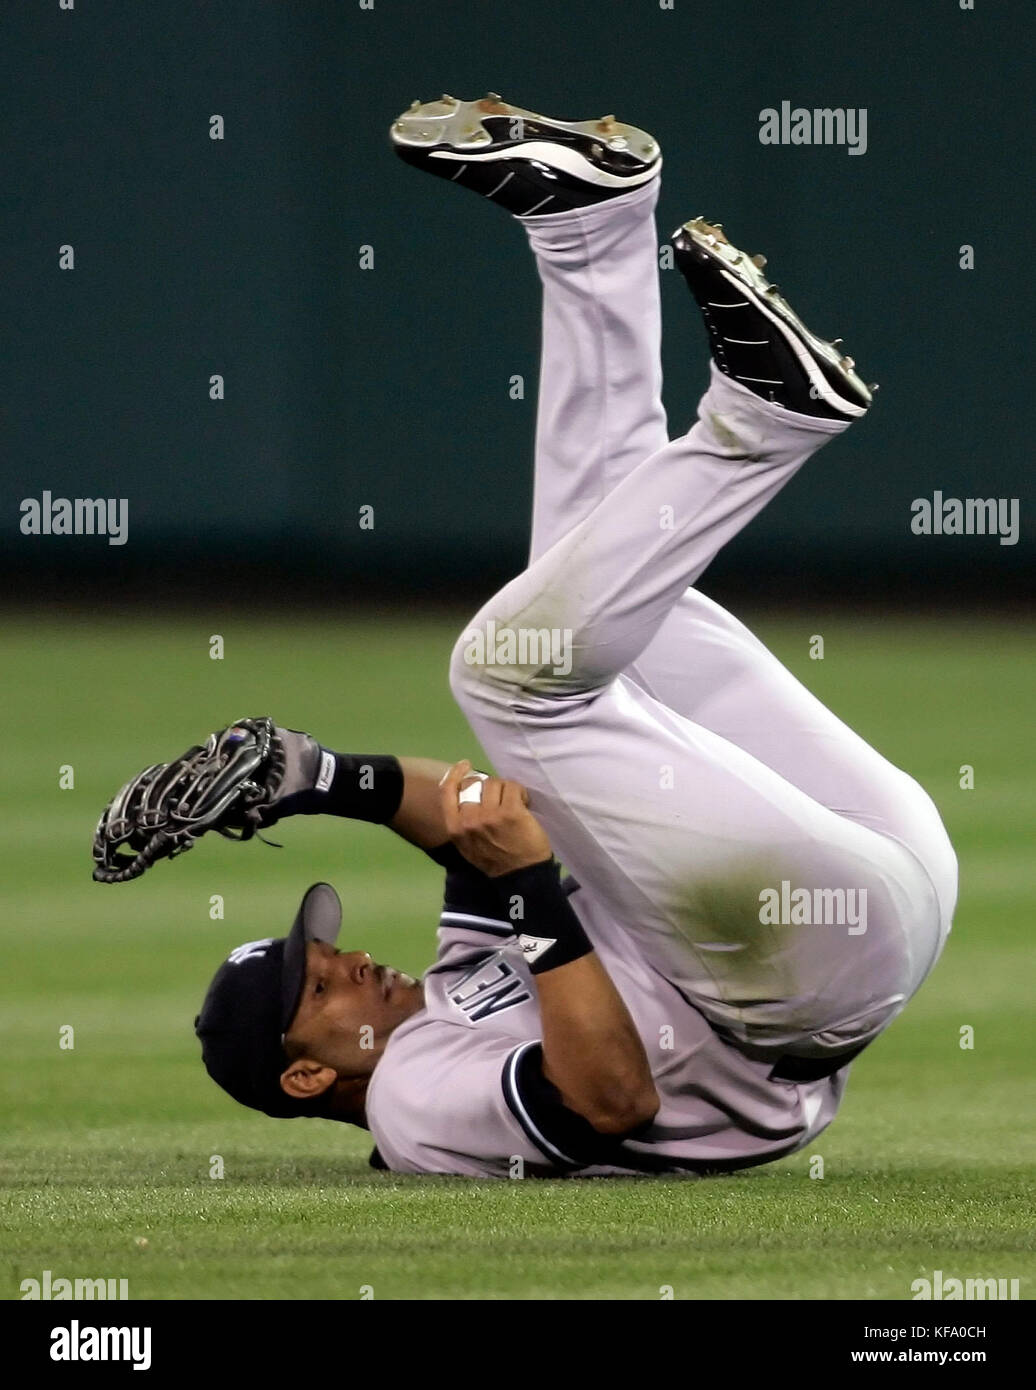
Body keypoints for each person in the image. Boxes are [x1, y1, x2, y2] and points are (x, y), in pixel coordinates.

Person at [98, 96, 957, 1178]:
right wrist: (542, 897)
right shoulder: (413, 1104)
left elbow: (473, 826)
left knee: (585, 595)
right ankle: (763, 427)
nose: (349, 961)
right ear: (310, 1075)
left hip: (857, 877)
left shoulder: (454, 995)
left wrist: (315, 777)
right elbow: (608, 1095)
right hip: (790, 986)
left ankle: (591, 231)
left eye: (325, 948)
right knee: (503, 675)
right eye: (316, 991)